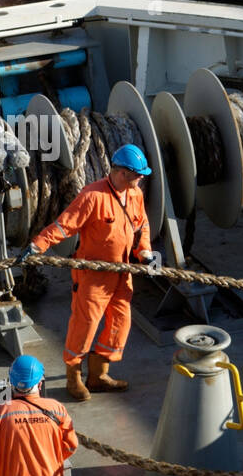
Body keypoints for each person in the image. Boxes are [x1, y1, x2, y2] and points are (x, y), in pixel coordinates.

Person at [20, 144, 154, 401]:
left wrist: (145, 252)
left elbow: (142, 225)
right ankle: (74, 378)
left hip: (122, 272)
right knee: (85, 325)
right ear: (122, 173)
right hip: (93, 274)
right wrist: (38, 245)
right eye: (138, 174)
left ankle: (98, 375)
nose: (141, 179)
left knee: (120, 323)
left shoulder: (135, 194)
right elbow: (65, 225)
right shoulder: (93, 196)